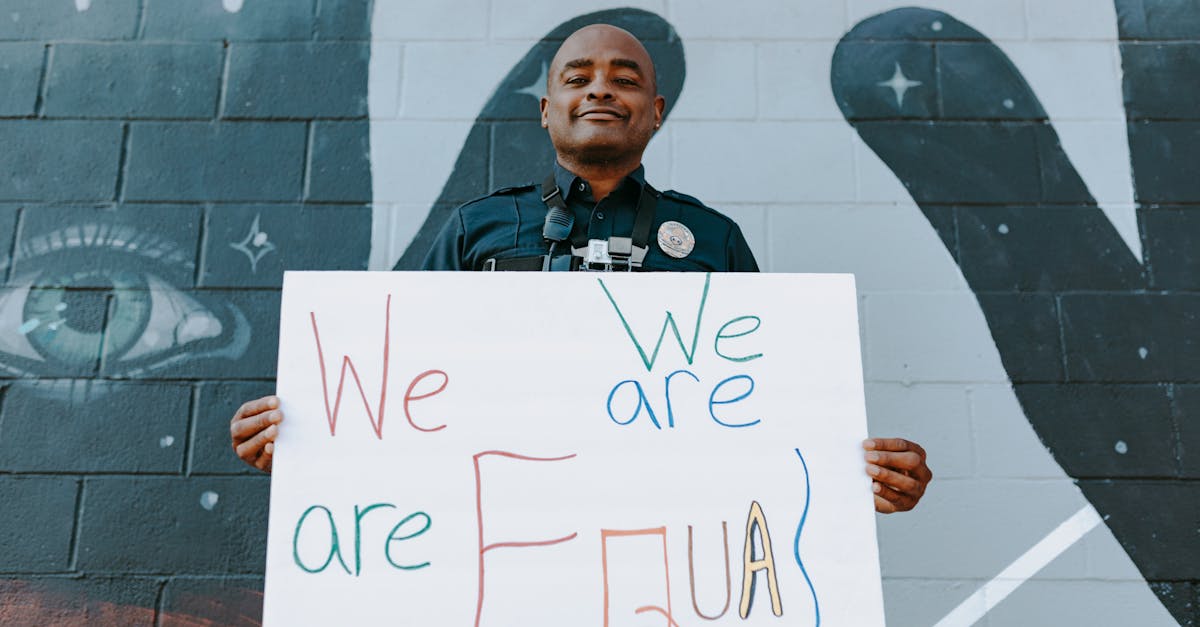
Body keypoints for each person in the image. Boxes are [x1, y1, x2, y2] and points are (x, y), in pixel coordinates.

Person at [231, 24, 932, 514]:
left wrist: (861, 473)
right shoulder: (476, 230)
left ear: (654, 113)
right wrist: (306, 442)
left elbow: (776, 406)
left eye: (625, 80)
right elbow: (397, 389)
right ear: (546, 110)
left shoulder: (716, 241)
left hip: (665, 545)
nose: (601, 89)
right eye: (578, 77)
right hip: (495, 538)